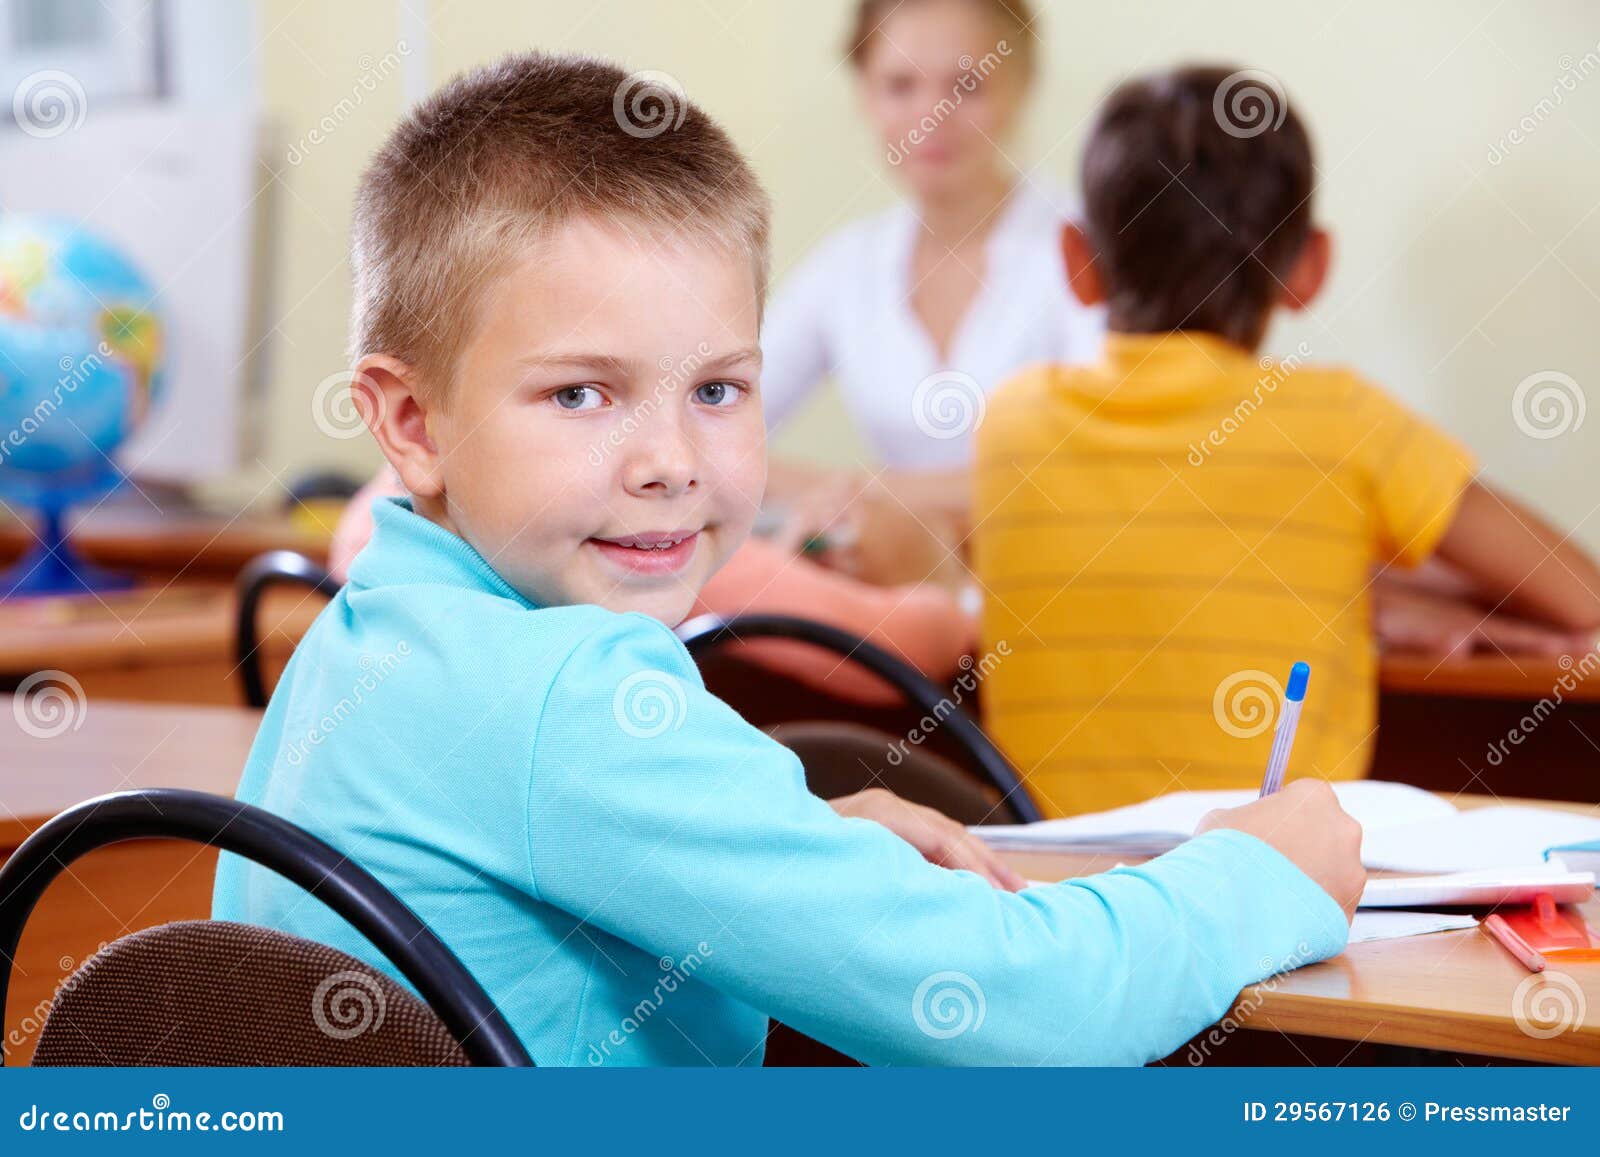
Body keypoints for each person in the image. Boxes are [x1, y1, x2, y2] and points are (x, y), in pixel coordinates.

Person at [214, 52, 1364, 1067]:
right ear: (411, 422)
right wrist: (1255, 873)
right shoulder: (574, 690)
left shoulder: (365, 638)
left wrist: (804, 855)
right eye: (580, 392)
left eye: (718, 388)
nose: (670, 459)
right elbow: (1028, 1013)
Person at [972, 65, 1600, 818]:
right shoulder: (1341, 423)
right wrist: (1367, 585)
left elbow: (1170, 549)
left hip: (1051, 902)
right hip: (1274, 904)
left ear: (1077, 260)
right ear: (1310, 267)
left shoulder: (1009, 425)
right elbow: (1578, 594)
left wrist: (1356, 584)